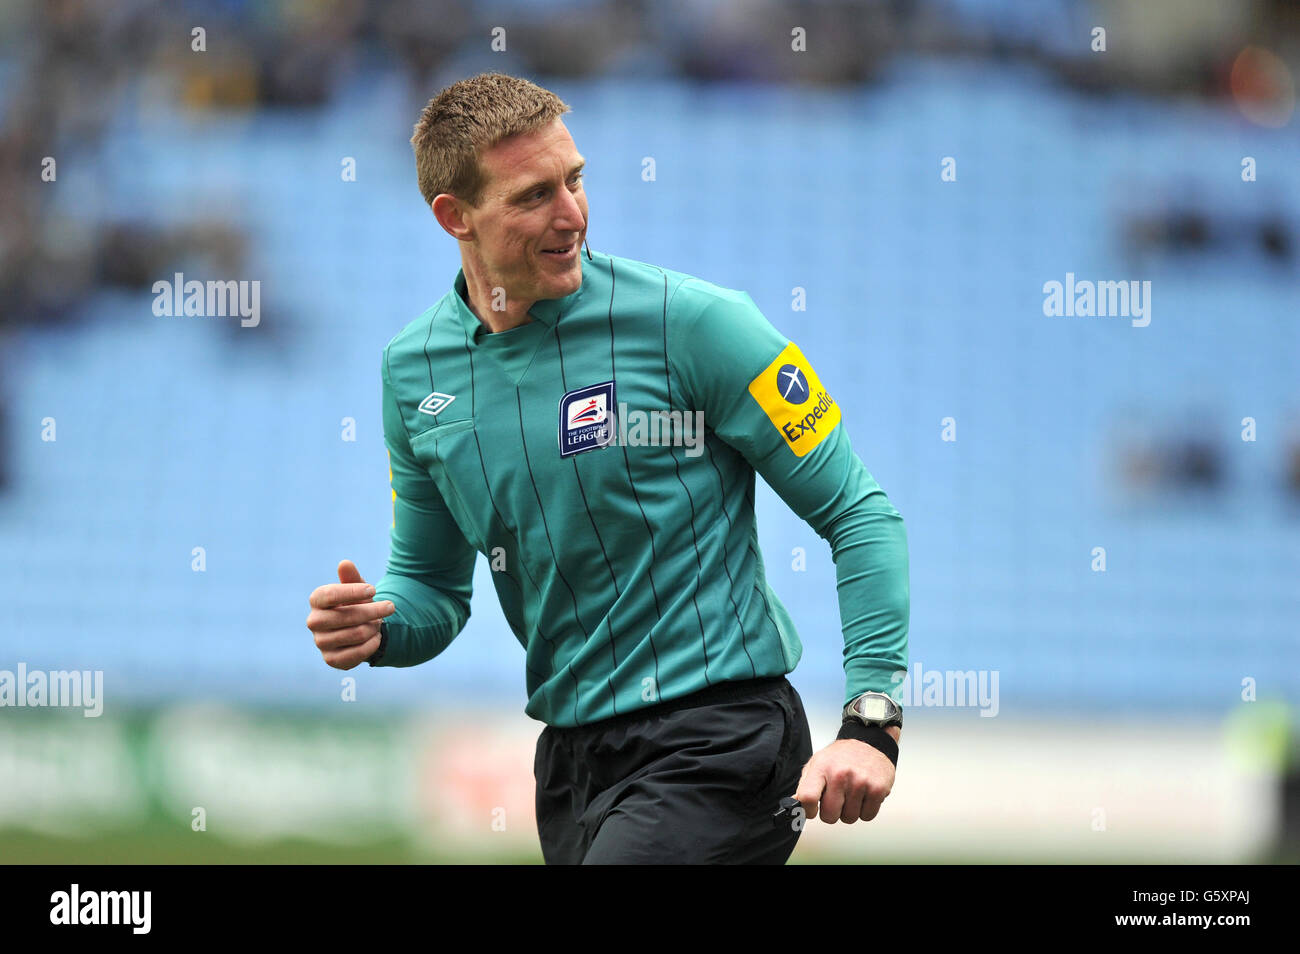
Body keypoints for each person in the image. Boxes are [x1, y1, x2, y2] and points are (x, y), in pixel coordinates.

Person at [306, 71, 910, 864]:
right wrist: (378, 627)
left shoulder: (698, 325)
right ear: (455, 217)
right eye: (532, 196)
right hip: (570, 765)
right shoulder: (413, 374)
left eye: (576, 179)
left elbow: (860, 514)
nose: (572, 215)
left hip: (722, 738)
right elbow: (432, 589)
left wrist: (872, 725)